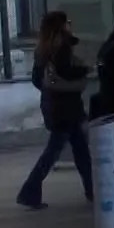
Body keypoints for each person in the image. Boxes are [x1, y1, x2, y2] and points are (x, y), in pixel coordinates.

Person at [18, 11, 93, 210]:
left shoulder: (42, 48)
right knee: (54, 151)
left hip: (53, 105)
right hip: (66, 108)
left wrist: (50, 88)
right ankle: (29, 191)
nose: (70, 24)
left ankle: (92, 190)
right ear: (59, 25)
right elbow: (67, 72)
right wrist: (86, 69)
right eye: (67, 21)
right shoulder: (62, 46)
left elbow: (37, 79)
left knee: (80, 150)